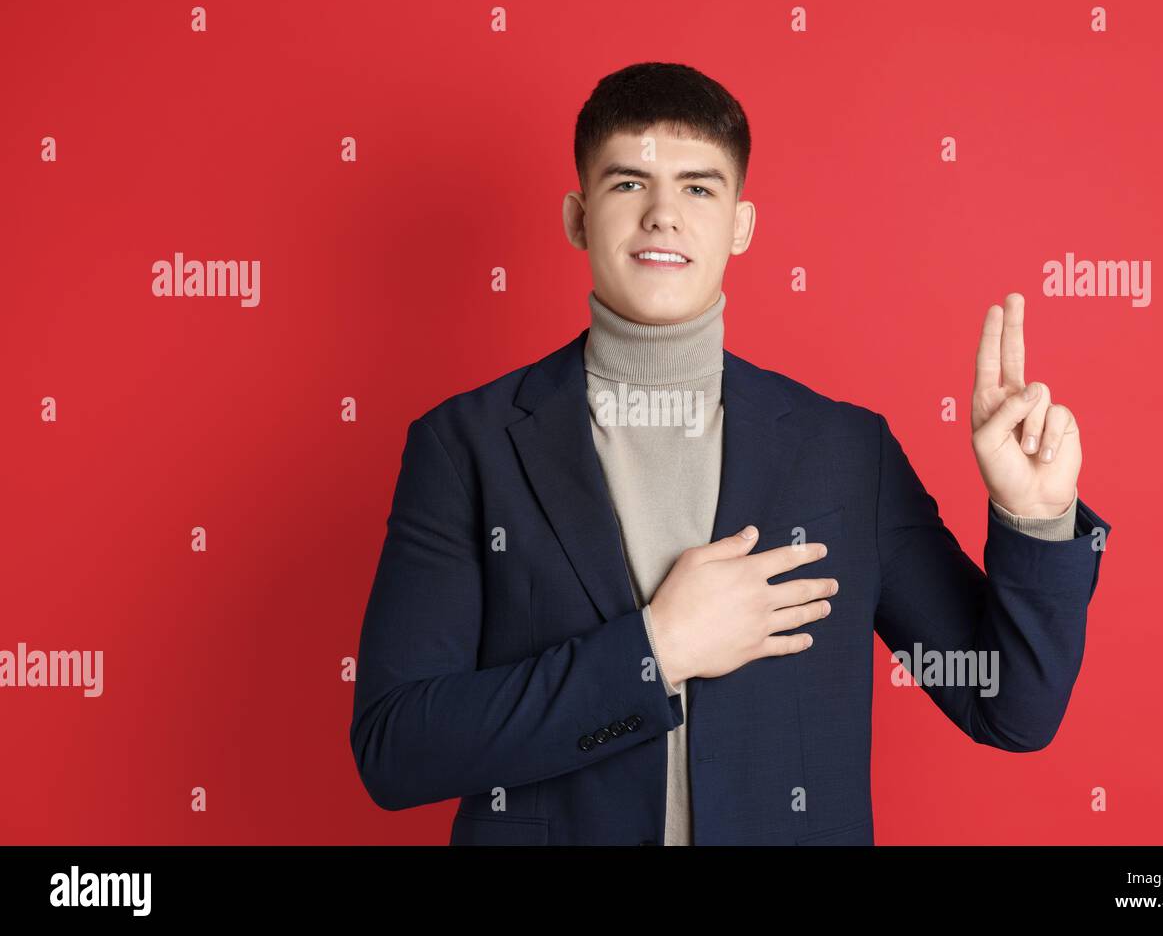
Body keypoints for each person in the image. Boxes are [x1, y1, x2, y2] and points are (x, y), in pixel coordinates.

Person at [349, 61, 1112, 846]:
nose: (662, 216)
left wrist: (1036, 518)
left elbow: (1011, 707)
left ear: (740, 226)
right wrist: (656, 650)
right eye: (627, 185)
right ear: (578, 217)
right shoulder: (462, 445)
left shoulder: (848, 452)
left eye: (699, 188)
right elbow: (395, 748)